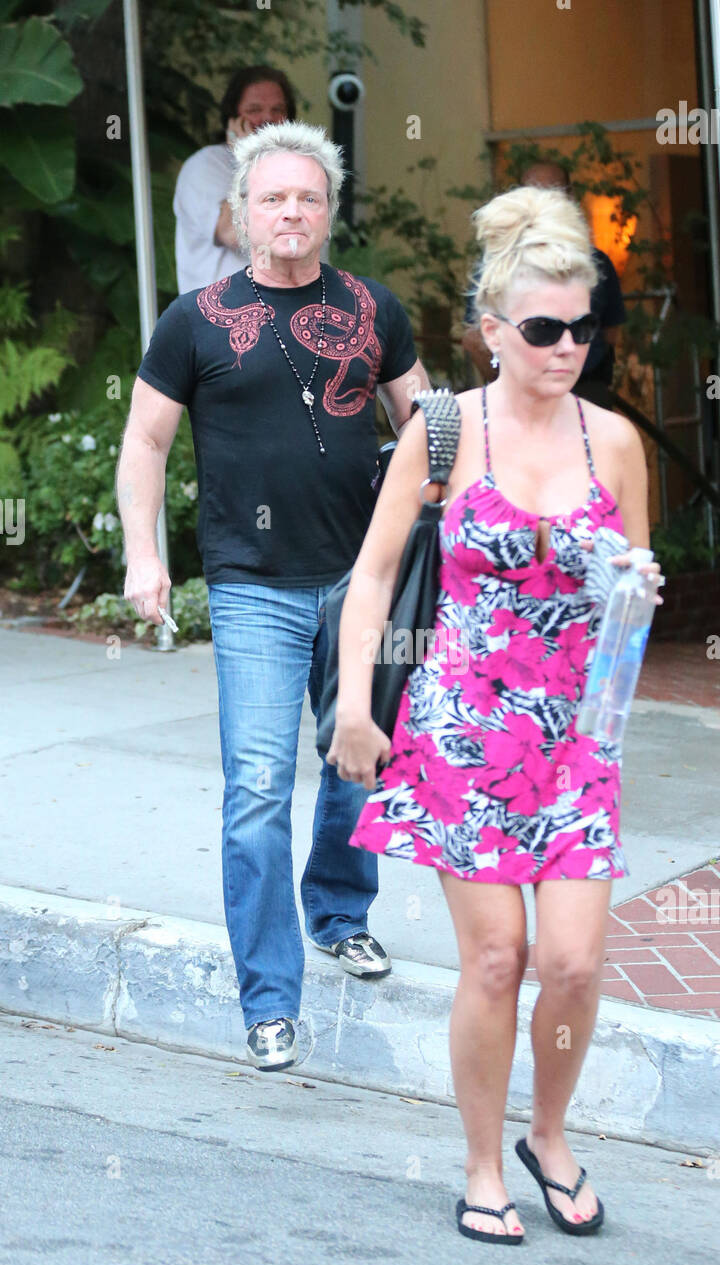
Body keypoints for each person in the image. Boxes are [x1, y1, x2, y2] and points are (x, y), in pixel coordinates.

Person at [327, 185, 663, 1242]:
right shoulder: (442, 429)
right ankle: (481, 1163)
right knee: (495, 958)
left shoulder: (614, 442)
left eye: (583, 328)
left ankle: (547, 1135)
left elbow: (631, 591)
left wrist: (633, 601)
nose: (568, 348)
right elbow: (374, 576)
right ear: (491, 331)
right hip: (463, 732)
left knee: (571, 962)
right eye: (543, 329)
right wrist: (353, 706)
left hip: (577, 738)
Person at [117, 121, 430, 1073]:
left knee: (356, 762)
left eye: (308, 198)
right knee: (256, 790)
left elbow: (425, 427)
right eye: (273, 198)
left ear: (329, 211)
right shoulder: (195, 320)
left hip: (361, 583)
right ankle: (268, 1000)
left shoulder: (372, 309)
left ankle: (338, 912)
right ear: (243, 212)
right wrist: (144, 554)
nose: (291, 212)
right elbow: (145, 441)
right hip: (252, 587)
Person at [462, 161, 627, 410]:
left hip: (586, 389)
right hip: (517, 396)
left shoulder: (596, 262)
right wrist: (506, 384)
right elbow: (473, 338)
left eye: (580, 327)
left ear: (570, 197)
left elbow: (611, 335)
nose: (545, 202)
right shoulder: (497, 265)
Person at [173, 65, 297, 293]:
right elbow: (234, 232)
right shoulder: (205, 165)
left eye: (277, 109)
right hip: (221, 314)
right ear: (232, 118)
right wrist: (250, 161)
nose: (267, 118)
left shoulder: (302, 170)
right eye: (254, 109)